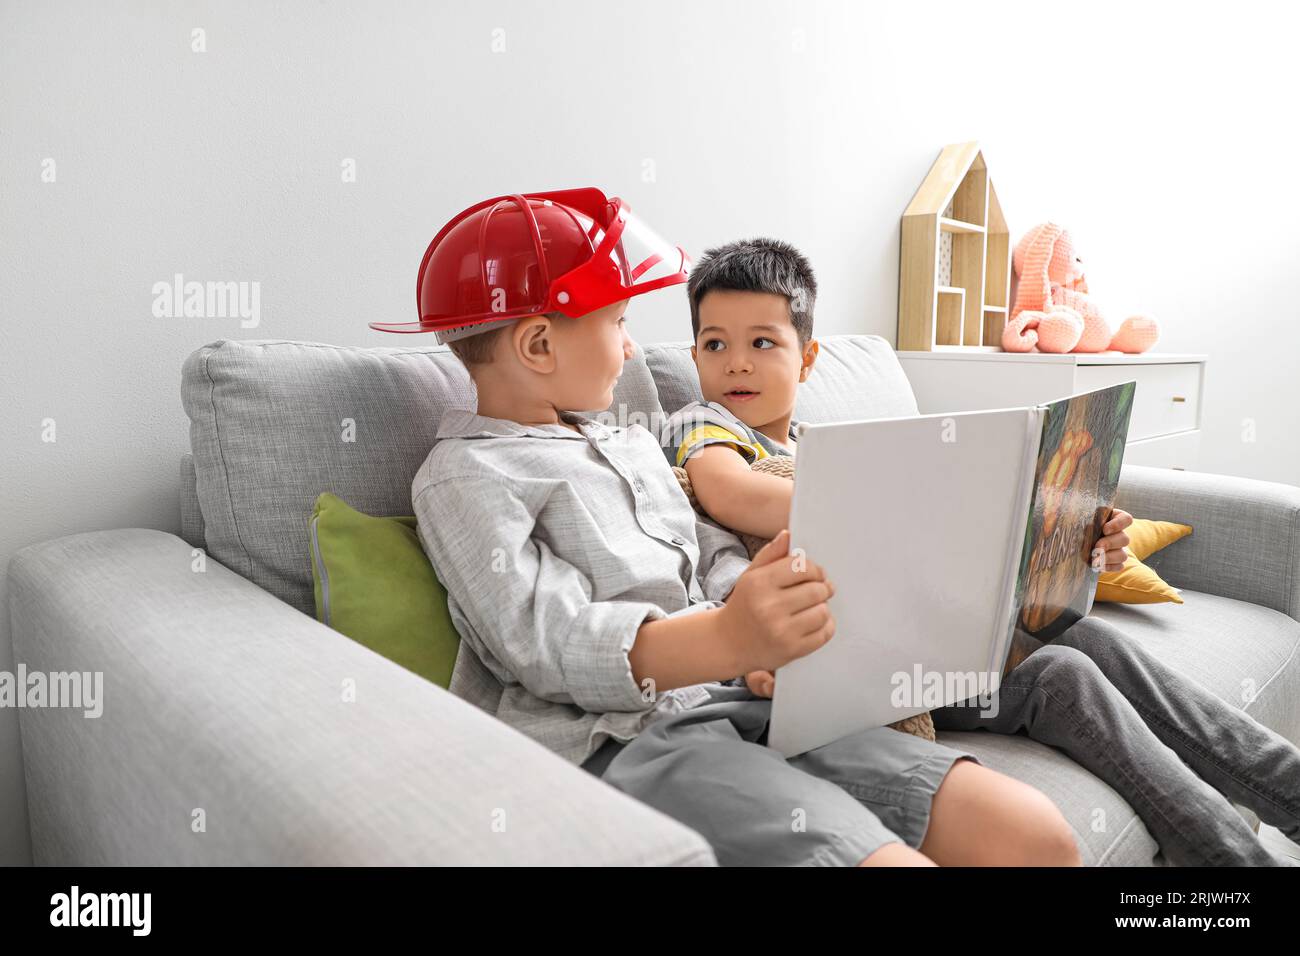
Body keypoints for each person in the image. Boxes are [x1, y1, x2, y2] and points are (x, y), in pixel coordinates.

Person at [374, 188, 1080, 866]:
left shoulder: (628, 438)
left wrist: (757, 614)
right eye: (618, 322)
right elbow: (542, 641)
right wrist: (724, 637)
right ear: (537, 345)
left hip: (749, 695)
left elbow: (704, 546)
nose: (630, 349)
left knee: (1033, 835)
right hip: (628, 735)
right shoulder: (466, 476)